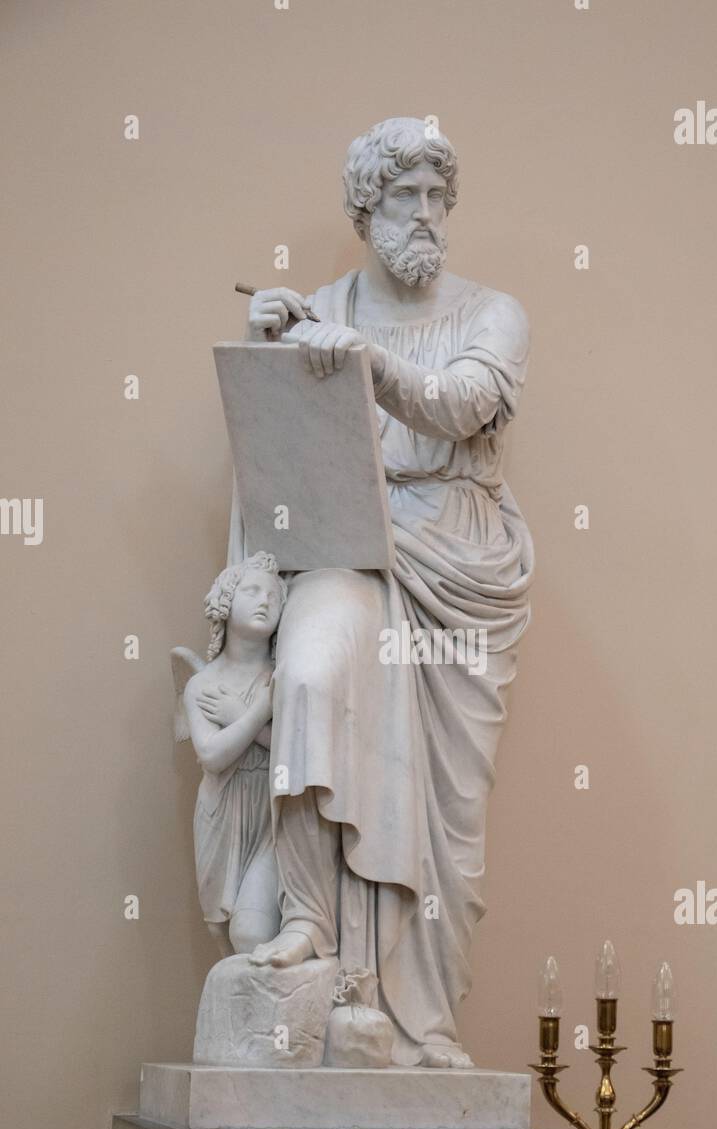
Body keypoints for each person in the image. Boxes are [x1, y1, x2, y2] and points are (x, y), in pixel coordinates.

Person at [227, 117, 534, 1068]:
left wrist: (358, 356)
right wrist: (272, 350)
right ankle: (311, 923)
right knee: (311, 679)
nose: (430, 214)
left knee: (445, 822)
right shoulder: (323, 304)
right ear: (366, 207)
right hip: (349, 543)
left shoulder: (495, 314)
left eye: (441, 195)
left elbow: (460, 404)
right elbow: (276, 455)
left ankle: (419, 1025)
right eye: (408, 195)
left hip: (459, 564)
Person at [183, 552, 287, 957]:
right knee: (219, 932)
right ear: (226, 602)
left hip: (272, 814)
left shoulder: (284, 677)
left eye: (274, 598)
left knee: (252, 933)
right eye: (252, 591)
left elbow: (298, 756)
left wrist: (239, 717)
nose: (264, 601)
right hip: (220, 813)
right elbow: (211, 755)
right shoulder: (203, 683)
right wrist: (260, 711)